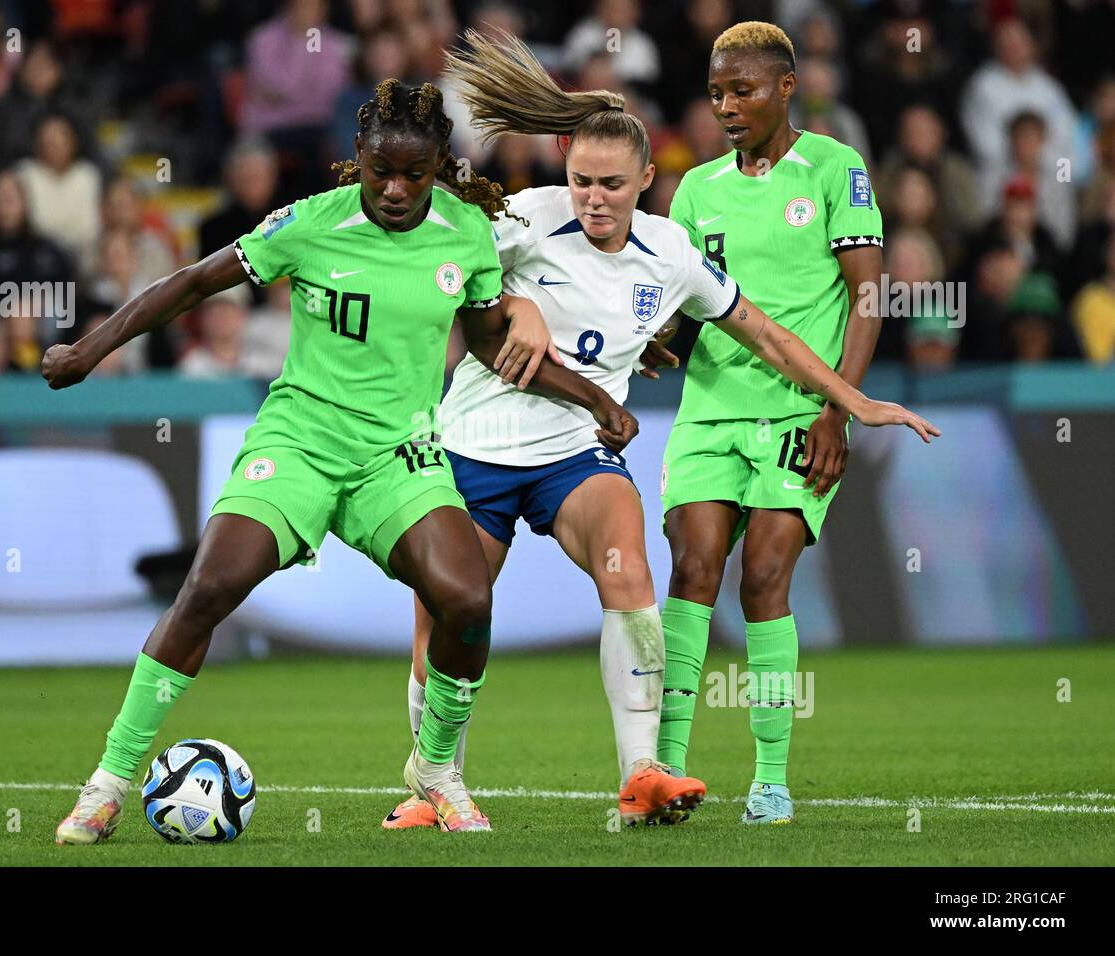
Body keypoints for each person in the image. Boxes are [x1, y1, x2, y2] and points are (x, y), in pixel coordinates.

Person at [48, 77, 639, 843]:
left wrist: (591, 397)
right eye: (379, 173)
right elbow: (194, 282)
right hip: (301, 439)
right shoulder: (308, 224)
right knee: (211, 585)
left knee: (466, 600)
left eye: (414, 175)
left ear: (439, 169)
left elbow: (491, 341)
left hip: (398, 456)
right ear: (355, 159)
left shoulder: (464, 232)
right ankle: (108, 783)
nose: (395, 190)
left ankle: (437, 771)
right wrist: (88, 351)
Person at [383, 29, 939, 831]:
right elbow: (453, 284)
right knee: (454, 615)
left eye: (613, 184)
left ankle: (645, 770)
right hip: (479, 445)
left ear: (648, 179)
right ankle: (435, 781)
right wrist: (517, 306)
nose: (595, 199)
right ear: (564, 169)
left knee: (630, 561)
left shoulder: (671, 248)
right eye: (581, 181)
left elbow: (764, 331)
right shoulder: (521, 219)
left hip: (575, 455)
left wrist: (848, 401)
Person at [655, 22, 937, 825]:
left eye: (742, 90)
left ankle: (770, 782)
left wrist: (835, 410)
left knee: (765, 579)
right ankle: (665, 771)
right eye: (716, 93)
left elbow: (868, 297)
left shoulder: (837, 170)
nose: (727, 106)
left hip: (796, 412)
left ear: (785, 88)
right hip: (709, 410)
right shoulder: (697, 188)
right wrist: (656, 346)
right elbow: (691, 308)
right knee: (692, 571)